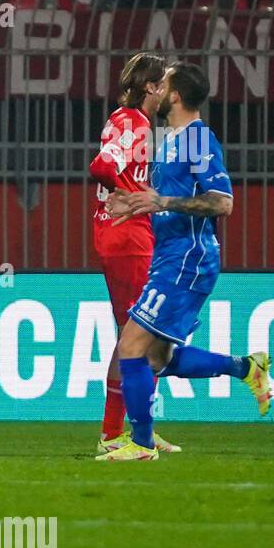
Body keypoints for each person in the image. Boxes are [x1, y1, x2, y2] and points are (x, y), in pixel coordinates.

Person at [98, 62, 272, 461]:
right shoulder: (171, 141)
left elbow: (222, 203)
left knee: (131, 346)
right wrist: (137, 202)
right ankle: (247, 368)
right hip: (170, 257)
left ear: (175, 95)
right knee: (156, 358)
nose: (156, 89)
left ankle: (142, 444)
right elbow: (166, 202)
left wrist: (161, 200)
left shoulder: (197, 139)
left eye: (163, 84)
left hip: (188, 259)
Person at [87, 52, 180, 455]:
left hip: (128, 236)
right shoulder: (133, 122)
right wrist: (131, 194)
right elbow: (101, 165)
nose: (168, 93)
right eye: (164, 84)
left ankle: (133, 429)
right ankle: (118, 434)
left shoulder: (130, 120)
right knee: (141, 334)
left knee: (137, 334)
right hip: (126, 238)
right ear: (150, 87)